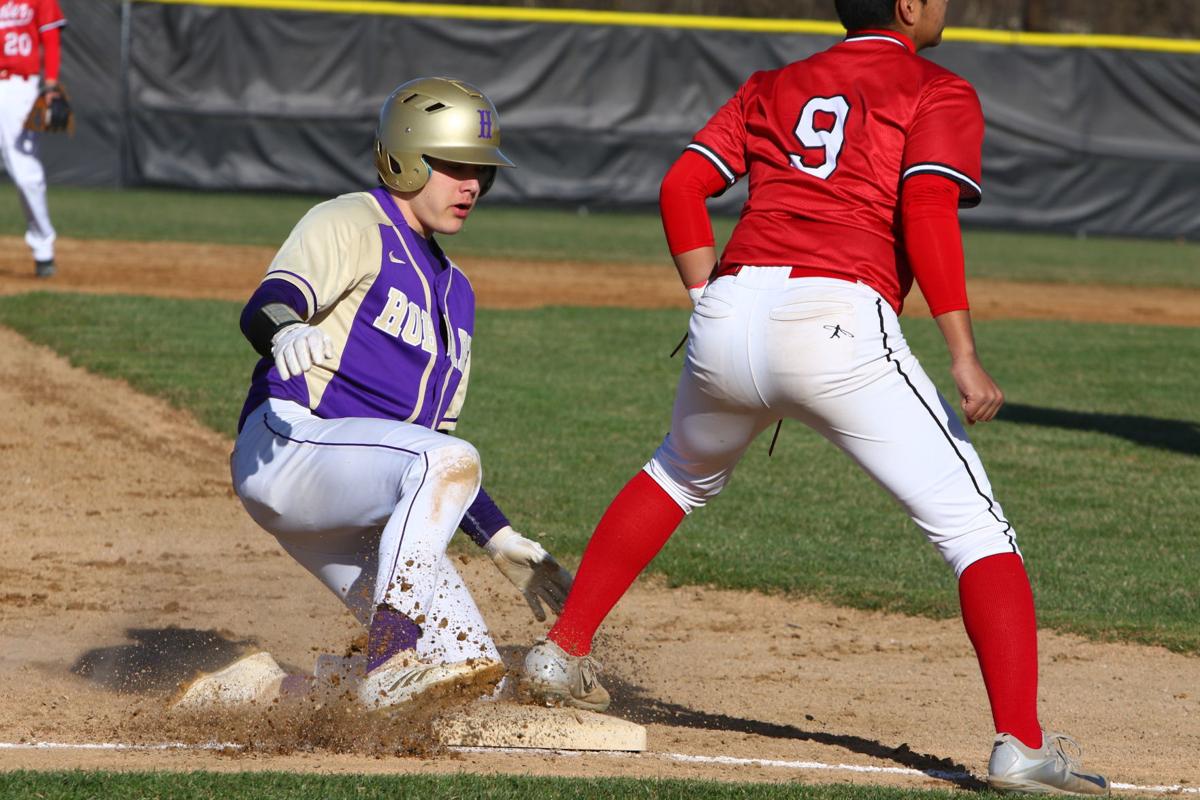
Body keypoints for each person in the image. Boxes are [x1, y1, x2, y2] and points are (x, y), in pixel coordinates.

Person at [522, 0, 1109, 794]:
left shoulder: (773, 84)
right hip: (837, 316)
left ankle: (561, 652)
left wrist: (707, 302)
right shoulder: (935, 88)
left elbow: (682, 185)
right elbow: (925, 209)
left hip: (732, 302)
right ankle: (1023, 747)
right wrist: (964, 354)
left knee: (676, 475)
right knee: (974, 529)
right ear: (907, 5)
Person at [222, 77, 572, 711]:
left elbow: (427, 449)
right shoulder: (354, 220)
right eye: (457, 166)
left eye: (482, 172)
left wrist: (498, 537)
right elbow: (268, 303)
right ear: (407, 158)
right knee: (450, 459)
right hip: (288, 446)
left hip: (363, 502)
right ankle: (389, 660)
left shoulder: (457, 293)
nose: (473, 185)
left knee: (471, 678)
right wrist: (286, 330)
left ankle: (260, 695)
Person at [0, 0, 66, 278]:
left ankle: (43, 249)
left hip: (18, 88)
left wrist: (50, 84)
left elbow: (50, 39)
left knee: (26, 174)